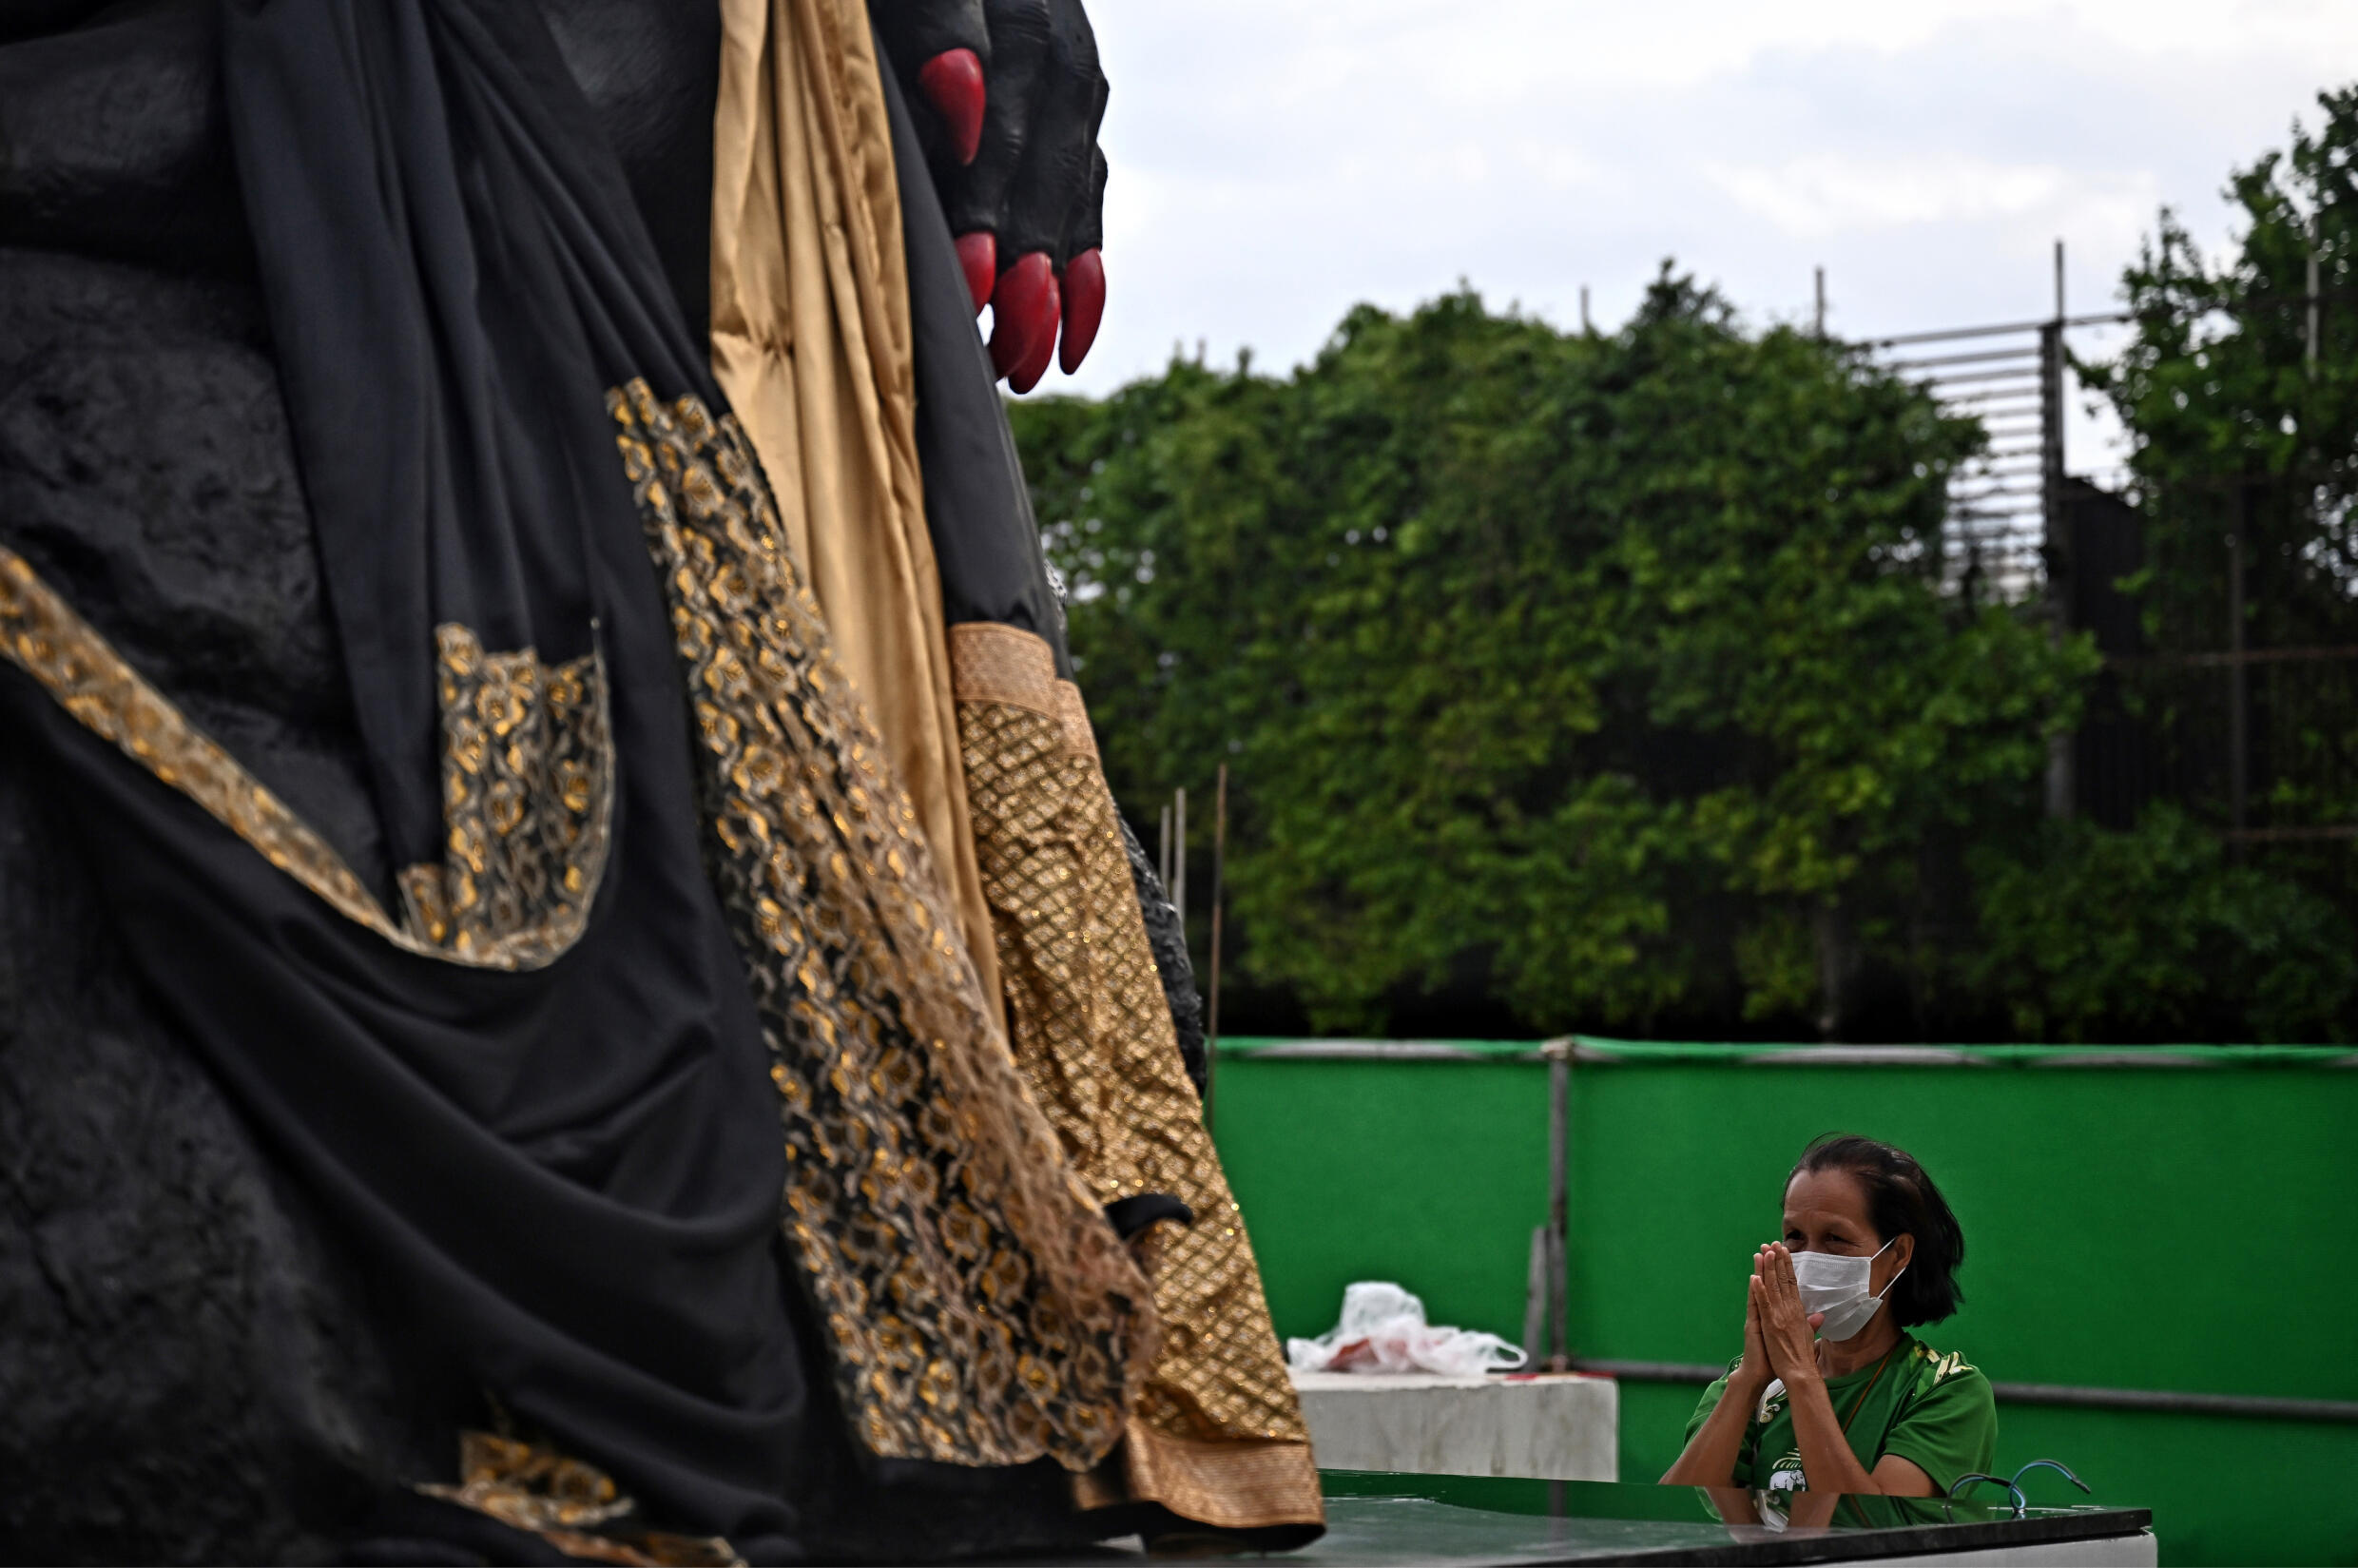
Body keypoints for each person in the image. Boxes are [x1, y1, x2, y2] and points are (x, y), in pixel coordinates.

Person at [1662, 1134, 1997, 1499]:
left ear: (1898, 1254)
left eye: (1835, 1238)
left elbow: (1872, 1522)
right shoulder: (1751, 1382)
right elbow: (1671, 1512)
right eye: (1794, 1236)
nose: (1809, 1258)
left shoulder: (1946, 1391)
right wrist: (1747, 1385)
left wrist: (1802, 1377)